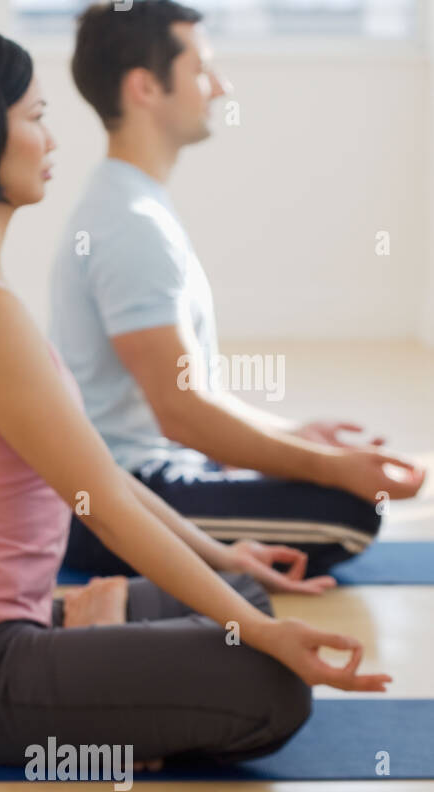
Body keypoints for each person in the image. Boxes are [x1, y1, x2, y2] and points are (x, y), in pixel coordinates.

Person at [0, 26, 391, 771]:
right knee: (269, 681)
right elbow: (103, 499)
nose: (51, 136)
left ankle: (101, 656)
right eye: (35, 114)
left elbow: (100, 476)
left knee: (240, 592)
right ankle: (104, 690)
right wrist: (258, 630)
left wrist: (227, 558)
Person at [51, 0, 425, 578]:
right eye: (201, 69)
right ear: (145, 87)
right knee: (348, 513)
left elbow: (192, 399)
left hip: (153, 473)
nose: (220, 87)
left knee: (332, 488)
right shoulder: (130, 225)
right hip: (120, 499)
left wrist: (298, 437)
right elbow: (182, 414)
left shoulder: (133, 205)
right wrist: (329, 468)